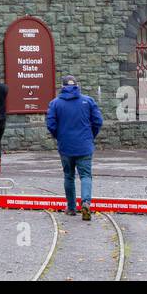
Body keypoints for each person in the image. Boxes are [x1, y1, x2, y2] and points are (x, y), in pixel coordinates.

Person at [45, 74, 103, 220]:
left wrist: (60, 136)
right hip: (84, 145)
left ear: (63, 87)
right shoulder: (88, 101)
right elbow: (98, 121)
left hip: (66, 146)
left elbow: (51, 125)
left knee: (68, 176)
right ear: (77, 86)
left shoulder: (55, 103)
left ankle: (71, 208)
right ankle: (86, 202)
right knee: (85, 175)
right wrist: (90, 136)